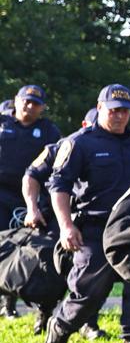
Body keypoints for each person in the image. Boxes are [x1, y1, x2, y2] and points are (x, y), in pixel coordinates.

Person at [44, 84, 130, 343]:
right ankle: (60, 327)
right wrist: (66, 226)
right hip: (94, 229)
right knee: (88, 292)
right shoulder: (80, 143)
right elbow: (59, 186)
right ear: (99, 108)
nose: (120, 116)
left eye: (125, 111)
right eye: (114, 110)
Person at [22, 108, 105, 336]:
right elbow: (31, 175)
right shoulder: (62, 147)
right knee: (52, 271)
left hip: (88, 221)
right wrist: (32, 209)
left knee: (90, 274)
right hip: (55, 219)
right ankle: (45, 313)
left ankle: (88, 323)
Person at [0, 85, 61, 316]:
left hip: (29, 197)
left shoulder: (48, 131)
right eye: (26, 101)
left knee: (20, 250)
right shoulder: (2, 123)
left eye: (35, 103)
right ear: (16, 100)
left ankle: (8, 304)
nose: (29, 106)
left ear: (42, 108)